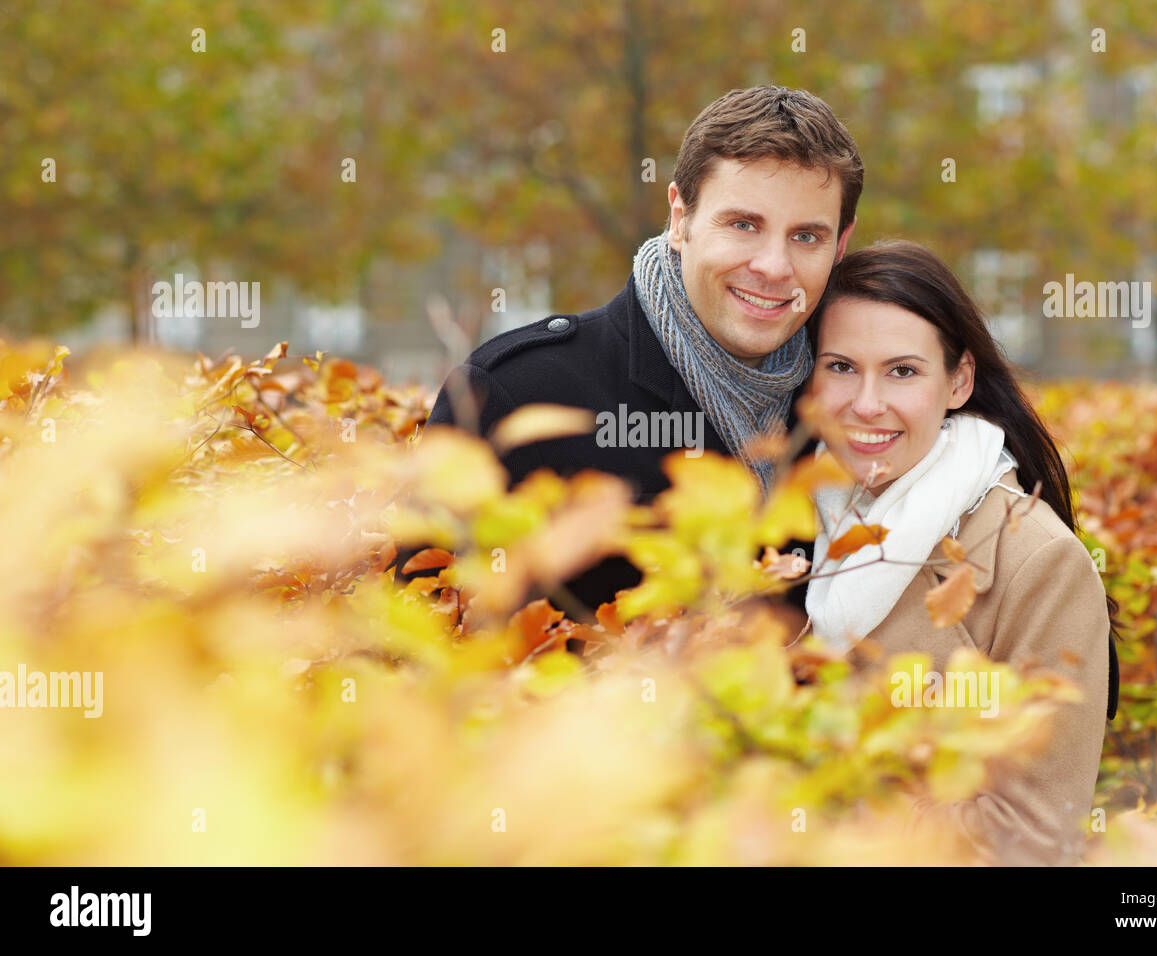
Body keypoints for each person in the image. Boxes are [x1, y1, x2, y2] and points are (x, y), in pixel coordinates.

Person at [401, 86, 862, 615]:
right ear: (680, 218)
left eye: (807, 237)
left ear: (841, 246)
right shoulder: (515, 392)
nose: (774, 267)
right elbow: (417, 633)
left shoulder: (859, 404)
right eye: (743, 225)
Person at [801, 240, 1119, 864]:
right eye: (840, 366)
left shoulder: (1036, 560)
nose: (866, 404)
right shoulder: (789, 520)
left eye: (902, 371)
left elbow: (1031, 834)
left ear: (959, 380)